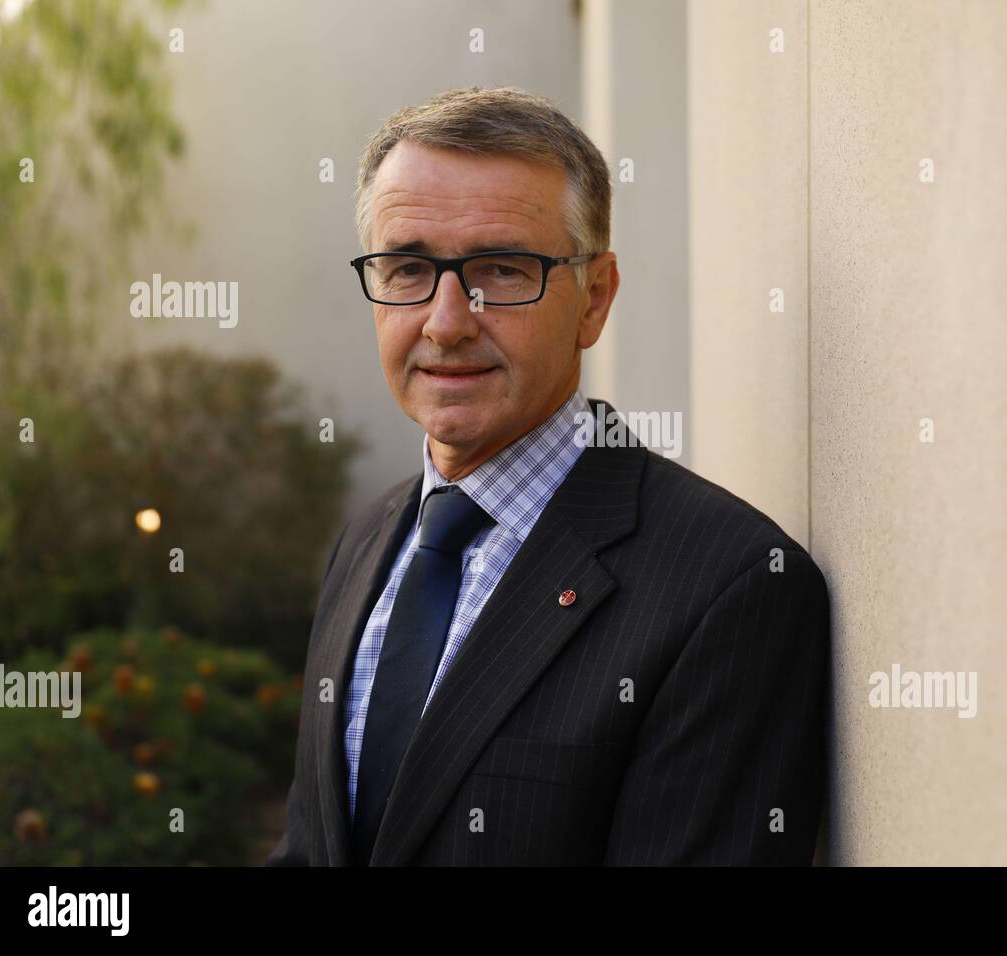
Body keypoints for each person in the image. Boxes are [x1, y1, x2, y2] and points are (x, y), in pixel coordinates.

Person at [267, 85, 830, 866]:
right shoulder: (366, 540)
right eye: (406, 268)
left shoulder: (728, 588)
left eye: (501, 269)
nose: (446, 321)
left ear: (594, 299)